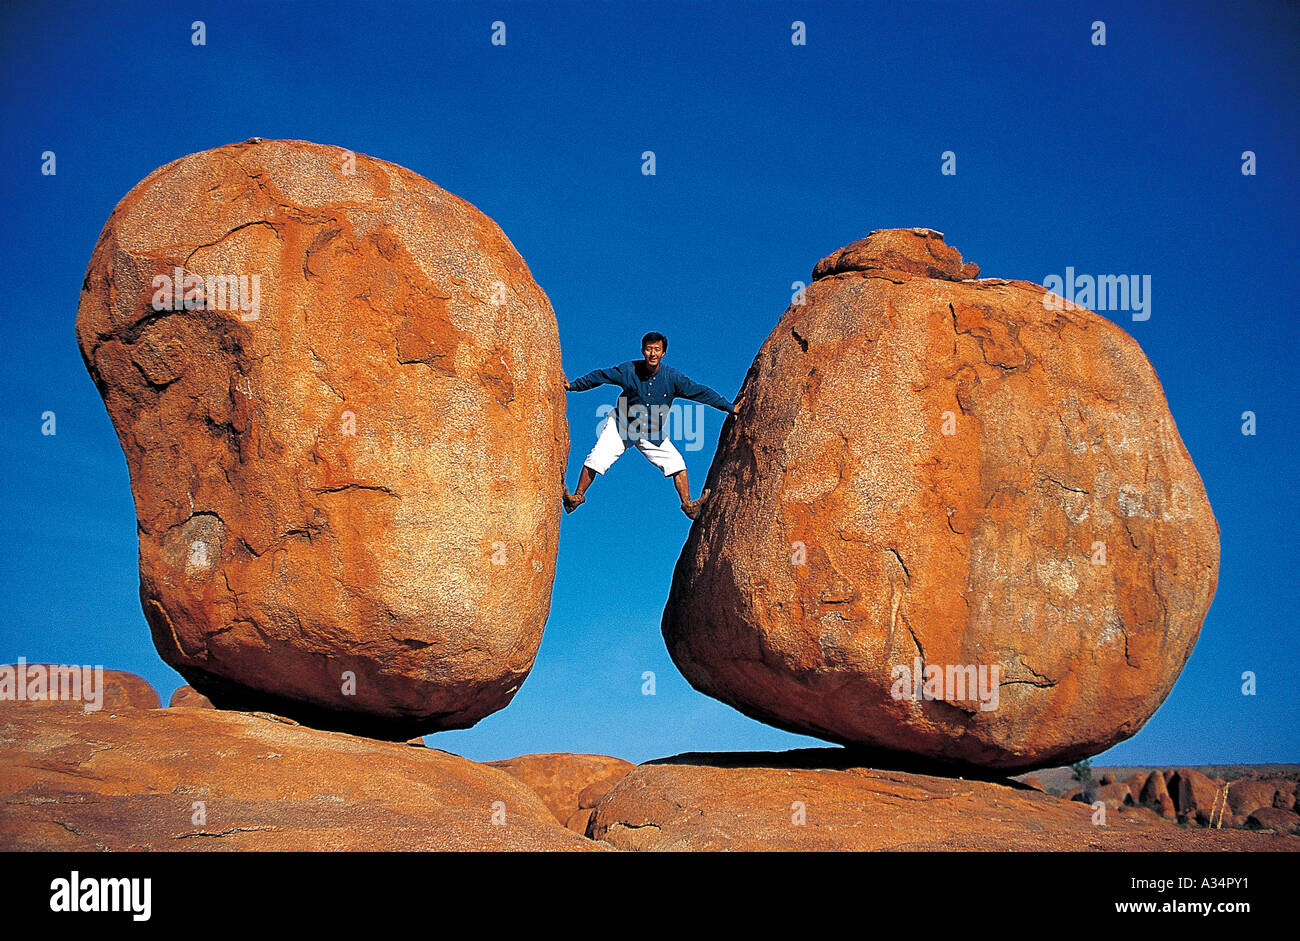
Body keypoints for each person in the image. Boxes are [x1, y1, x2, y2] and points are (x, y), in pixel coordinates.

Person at [562, 332, 735, 519]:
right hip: (622, 424)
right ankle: (577, 497)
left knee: (677, 464)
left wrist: (729, 407)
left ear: (663, 353)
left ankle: (688, 505)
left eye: (657, 349)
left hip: (650, 430)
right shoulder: (629, 370)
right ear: (643, 351)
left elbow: (701, 392)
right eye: (649, 349)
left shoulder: (672, 378)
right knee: (597, 459)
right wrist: (573, 386)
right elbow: (601, 376)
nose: (653, 353)